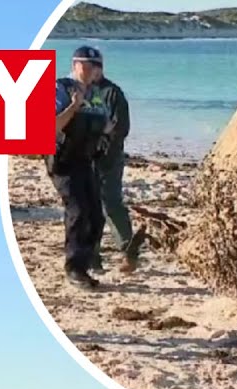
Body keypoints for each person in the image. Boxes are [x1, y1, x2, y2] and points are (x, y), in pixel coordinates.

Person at [51, 45, 114, 290]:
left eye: (96, 67)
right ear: (75, 65)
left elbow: (105, 123)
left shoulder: (95, 93)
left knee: (96, 216)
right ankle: (75, 268)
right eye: (86, 66)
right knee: (78, 212)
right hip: (64, 160)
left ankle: (85, 263)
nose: (91, 71)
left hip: (86, 159)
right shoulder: (61, 88)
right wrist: (74, 106)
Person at [93, 67, 146, 273]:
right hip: (81, 157)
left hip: (109, 158)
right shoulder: (76, 92)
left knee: (112, 203)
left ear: (100, 68)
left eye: (91, 66)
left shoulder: (113, 93)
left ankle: (128, 252)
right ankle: (92, 255)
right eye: (80, 65)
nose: (86, 70)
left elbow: (121, 128)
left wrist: (105, 149)